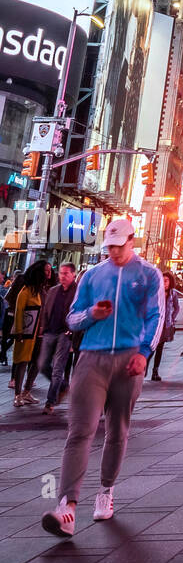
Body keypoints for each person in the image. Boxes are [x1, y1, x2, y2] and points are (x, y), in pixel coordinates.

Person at [41, 219, 163, 538]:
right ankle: (67, 507)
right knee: (80, 430)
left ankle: (106, 490)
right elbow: (73, 317)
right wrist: (91, 314)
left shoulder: (149, 274)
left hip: (129, 360)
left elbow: (156, 315)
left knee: (117, 430)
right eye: (110, 246)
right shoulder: (93, 275)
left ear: (132, 241)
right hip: (91, 359)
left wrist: (144, 352)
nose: (115, 251)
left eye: (120, 245)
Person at [37, 262, 79, 412]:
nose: (63, 276)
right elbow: (45, 310)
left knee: (57, 368)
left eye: (66, 273)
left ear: (73, 275)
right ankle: (63, 386)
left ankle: (50, 401)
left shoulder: (77, 292)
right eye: (61, 273)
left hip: (65, 333)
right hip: (50, 331)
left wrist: (71, 331)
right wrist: (44, 326)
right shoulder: (53, 291)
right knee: (42, 365)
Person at [9, 261, 48, 406]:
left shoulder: (40, 291)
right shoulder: (25, 292)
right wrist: (19, 332)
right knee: (22, 362)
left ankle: (26, 391)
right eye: (46, 271)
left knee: (37, 362)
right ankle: (18, 395)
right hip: (27, 334)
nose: (48, 274)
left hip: (40, 334)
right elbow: (19, 313)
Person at [152, 271, 182, 377]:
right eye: (162, 281)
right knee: (151, 348)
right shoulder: (156, 292)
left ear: (170, 282)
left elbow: (177, 307)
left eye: (166, 281)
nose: (164, 283)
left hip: (166, 325)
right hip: (155, 324)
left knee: (160, 348)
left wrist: (171, 318)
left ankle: (155, 371)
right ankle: (143, 369)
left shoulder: (173, 293)